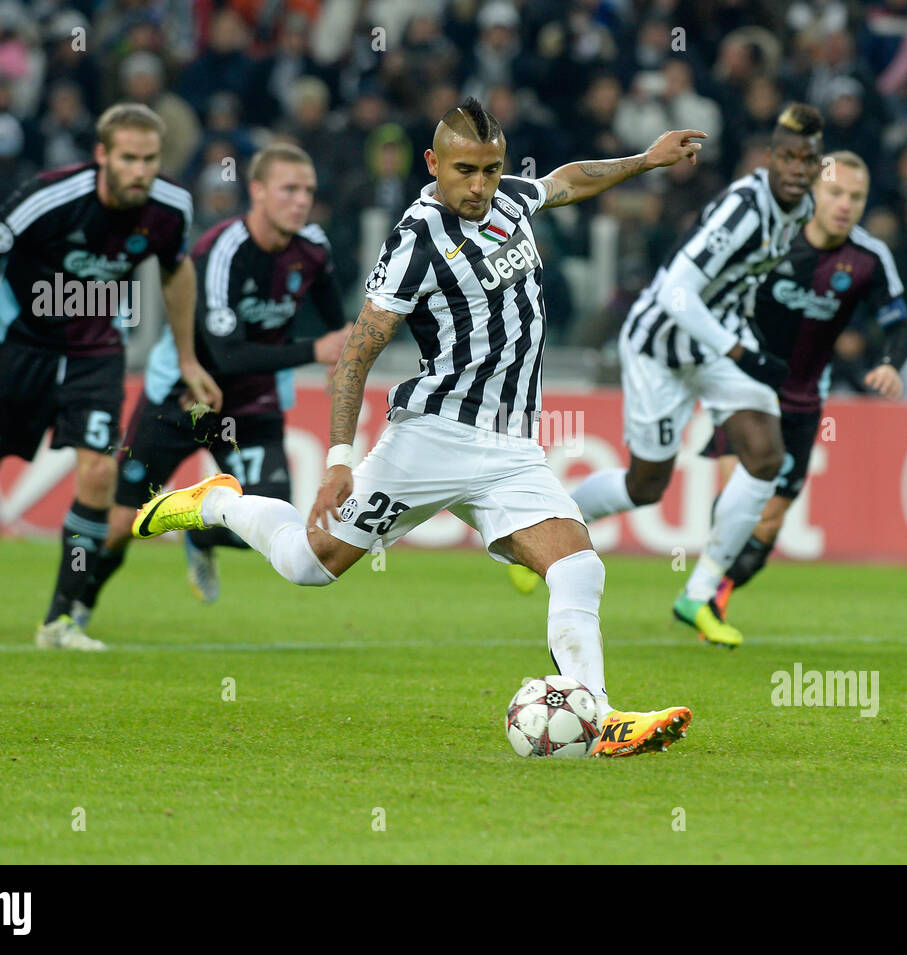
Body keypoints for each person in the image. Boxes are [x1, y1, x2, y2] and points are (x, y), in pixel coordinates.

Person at [130, 98, 703, 757]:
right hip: (429, 439)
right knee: (310, 565)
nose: (480, 185)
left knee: (578, 568)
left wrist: (644, 160)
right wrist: (341, 458)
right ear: (433, 163)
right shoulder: (415, 240)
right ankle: (219, 502)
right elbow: (355, 353)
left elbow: (567, 180)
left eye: (491, 169)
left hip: (511, 446)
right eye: (465, 170)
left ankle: (600, 720)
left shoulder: (509, 199)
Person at [0, 103, 220, 651]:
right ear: (102, 155)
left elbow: (176, 270)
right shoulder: (51, 197)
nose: (140, 170)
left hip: (96, 353)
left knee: (97, 472)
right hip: (20, 349)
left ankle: (60, 620)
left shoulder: (169, 207)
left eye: (149, 159)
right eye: (127, 158)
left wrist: (188, 360)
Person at [558, 103, 824, 648]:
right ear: (770, 159)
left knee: (766, 455)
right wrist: (742, 353)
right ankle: (560, 517)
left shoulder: (801, 209)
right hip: (660, 345)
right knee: (646, 484)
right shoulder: (744, 210)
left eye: (809, 159)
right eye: (789, 157)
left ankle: (698, 593)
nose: (799, 168)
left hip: (718, 345)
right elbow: (678, 292)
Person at [72, 143, 350, 627]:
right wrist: (315, 351)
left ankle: (201, 531)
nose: (301, 200)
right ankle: (72, 613)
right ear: (257, 192)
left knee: (275, 521)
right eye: (289, 189)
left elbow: (333, 321)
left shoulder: (313, 245)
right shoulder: (221, 251)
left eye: (308, 190)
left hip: (253, 403)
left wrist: (339, 352)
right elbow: (226, 352)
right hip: (183, 395)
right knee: (121, 524)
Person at [699, 152, 907, 625]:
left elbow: (897, 320)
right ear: (814, 190)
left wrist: (891, 363)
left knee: (770, 520)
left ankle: (718, 590)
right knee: (738, 485)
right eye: (835, 193)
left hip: (805, 398)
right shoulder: (774, 239)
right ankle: (703, 591)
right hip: (745, 385)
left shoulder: (869, 258)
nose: (845, 205)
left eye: (855, 197)